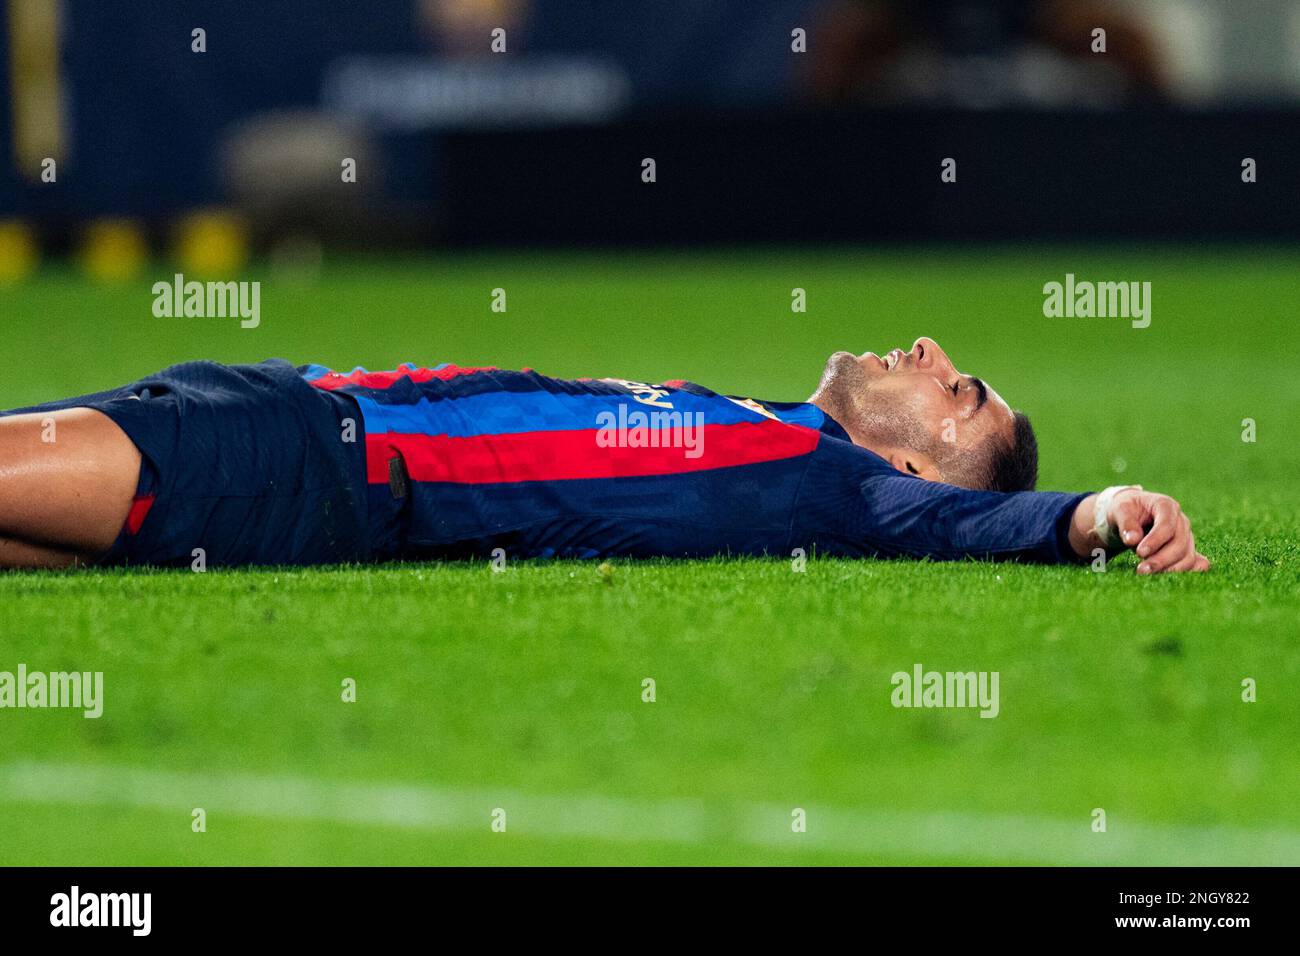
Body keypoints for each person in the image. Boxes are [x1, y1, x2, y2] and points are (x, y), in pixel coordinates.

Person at [0, 337, 1207, 574]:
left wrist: (1100, 510)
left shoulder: (840, 488)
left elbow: (974, 525)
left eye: (966, 391)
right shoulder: (767, 427)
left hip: (296, 465)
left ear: (934, 465)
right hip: (276, 406)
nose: (934, 352)